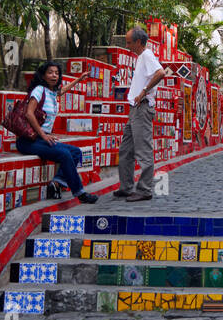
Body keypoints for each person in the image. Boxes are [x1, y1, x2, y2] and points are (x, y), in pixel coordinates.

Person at [19, 61, 99, 204]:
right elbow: (29, 114)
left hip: (42, 139)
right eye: (50, 72)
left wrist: (79, 79)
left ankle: (56, 183)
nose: (54, 75)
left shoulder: (52, 92)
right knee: (64, 154)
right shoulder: (39, 90)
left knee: (76, 152)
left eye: (56, 73)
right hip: (29, 140)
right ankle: (80, 193)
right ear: (43, 75)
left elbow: (62, 91)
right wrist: (43, 135)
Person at [113, 27, 165, 202]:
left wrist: (143, 91)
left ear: (138, 42)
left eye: (129, 42)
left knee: (143, 150)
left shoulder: (147, 55)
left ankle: (144, 189)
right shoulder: (141, 57)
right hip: (135, 108)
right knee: (126, 150)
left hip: (142, 108)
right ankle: (127, 186)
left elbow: (160, 73)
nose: (127, 45)